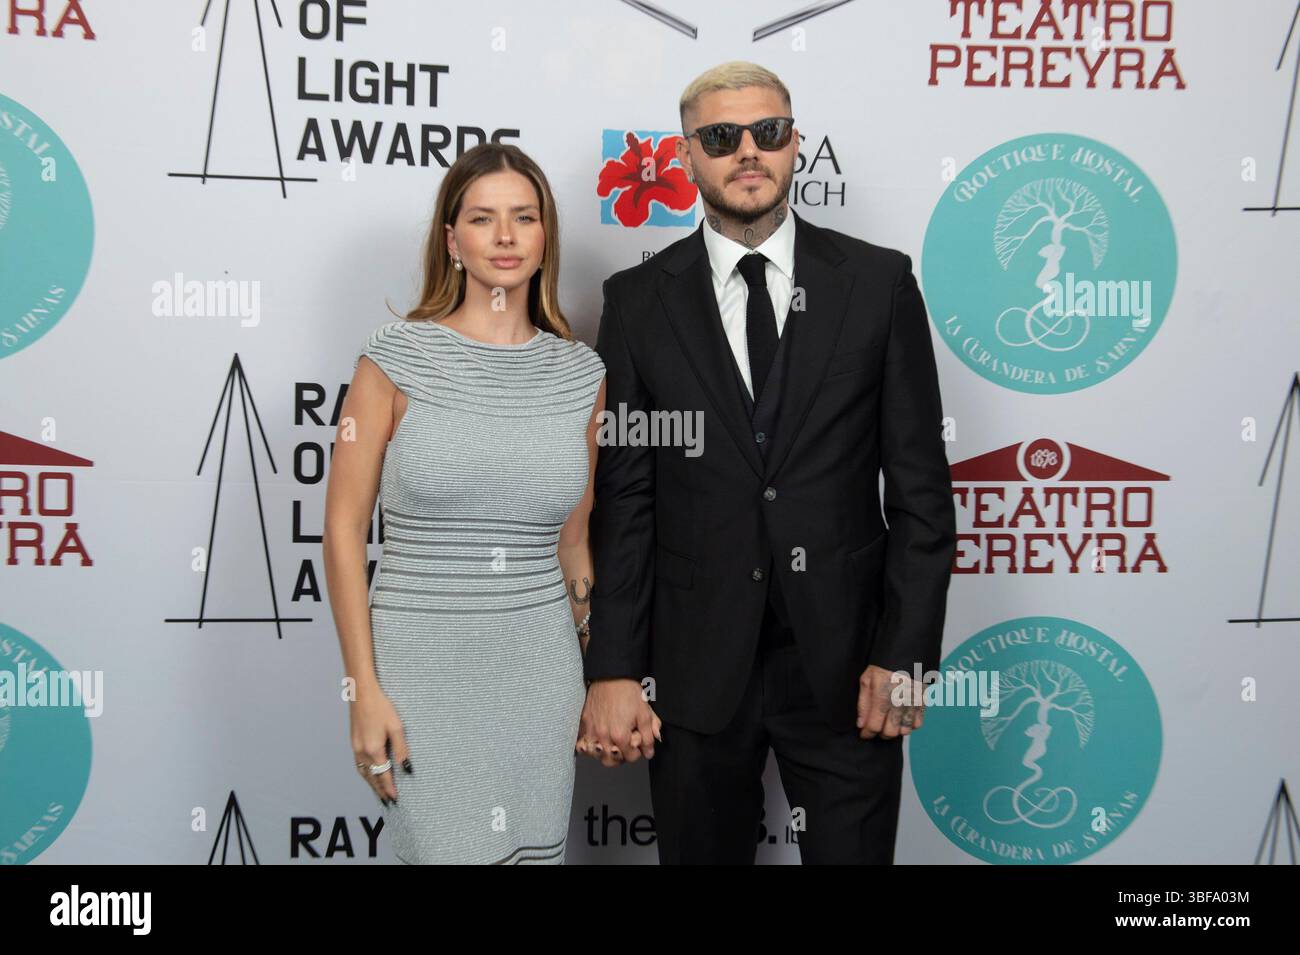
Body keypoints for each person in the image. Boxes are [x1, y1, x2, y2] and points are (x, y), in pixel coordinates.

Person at [578, 61, 957, 864]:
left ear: (794, 144)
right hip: (692, 668)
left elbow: (922, 491)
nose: (748, 151)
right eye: (722, 136)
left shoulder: (878, 283)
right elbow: (627, 499)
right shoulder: (638, 302)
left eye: (768, 132)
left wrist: (907, 653)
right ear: (687, 157)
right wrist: (613, 666)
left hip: (852, 665)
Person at [323, 142, 615, 864]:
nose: (507, 236)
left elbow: (574, 544)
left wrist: (599, 667)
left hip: (539, 676)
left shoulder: (580, 374)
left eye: (524, 217)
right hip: (420, 676)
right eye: (484, 219)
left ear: (547, 236)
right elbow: (341, 530)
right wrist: (363, 691)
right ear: (452, 240)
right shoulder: (394, 357)